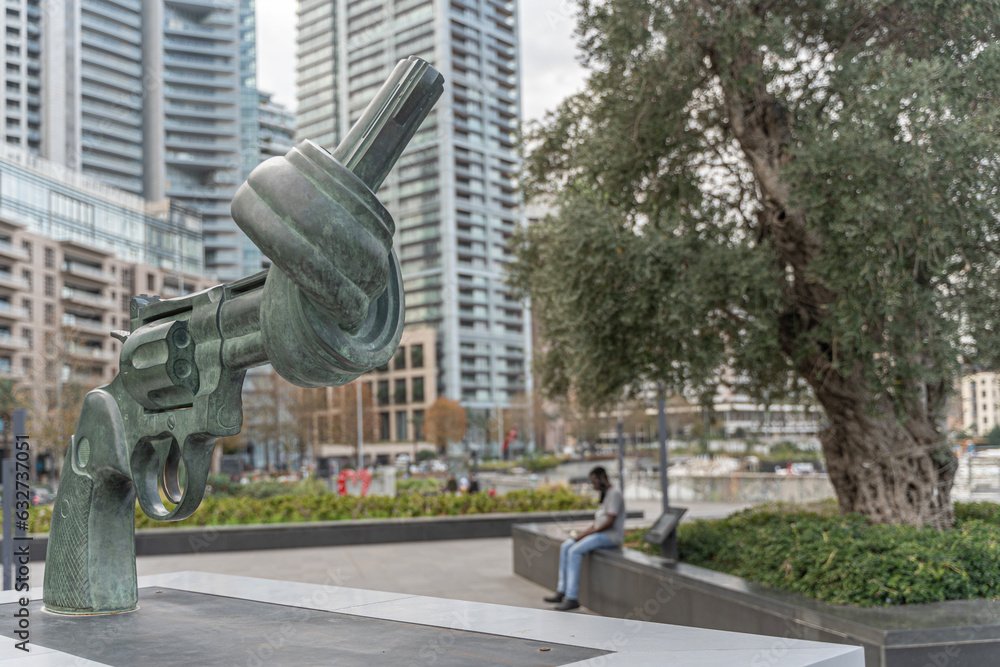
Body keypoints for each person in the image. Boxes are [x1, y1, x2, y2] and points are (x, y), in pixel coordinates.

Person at [544, 466, 625, 611]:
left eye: (594, 481)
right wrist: (582, 534)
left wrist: (586, 535)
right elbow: (597, 522)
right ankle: (561, 590)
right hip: (600, 534)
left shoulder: (615, 494)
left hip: (610, 536)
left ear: (602, 479)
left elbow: (609, 522)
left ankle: (572, 598)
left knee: (575, 551)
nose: (592, 484)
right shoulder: (606, 495)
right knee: (566, 546)